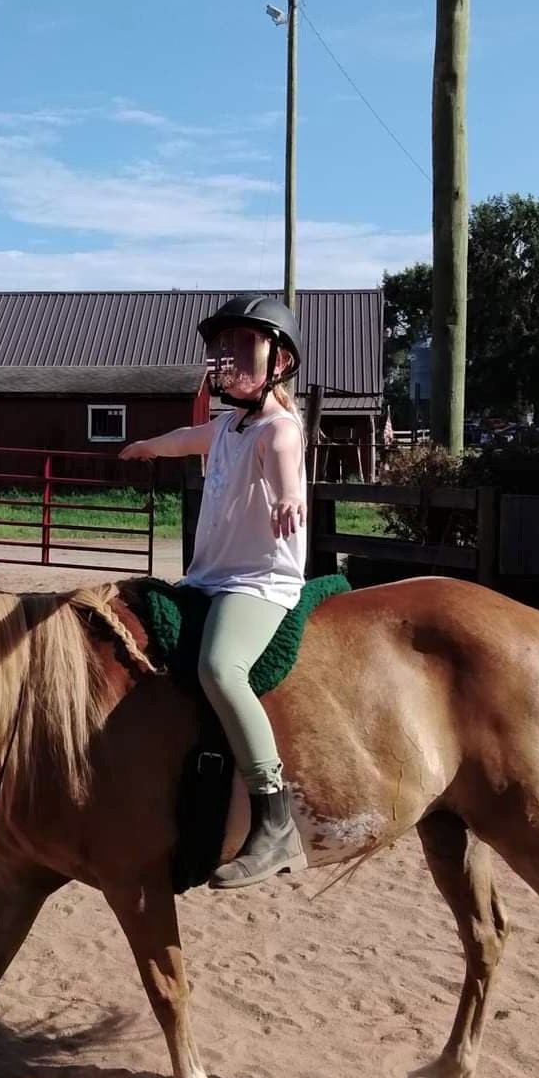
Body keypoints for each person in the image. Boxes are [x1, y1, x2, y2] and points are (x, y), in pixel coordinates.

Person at [121, 295, 308, 888]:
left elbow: (286, 465)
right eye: (223, 347)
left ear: (280, 361)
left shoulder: (278, 429)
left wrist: (289, 497)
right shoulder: (228, 426)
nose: (227, 359)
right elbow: (187, 436)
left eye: (243, 346)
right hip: (209, 577)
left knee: (221, 669)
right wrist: (148, 446)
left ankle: (274, 817)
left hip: (259, 581)